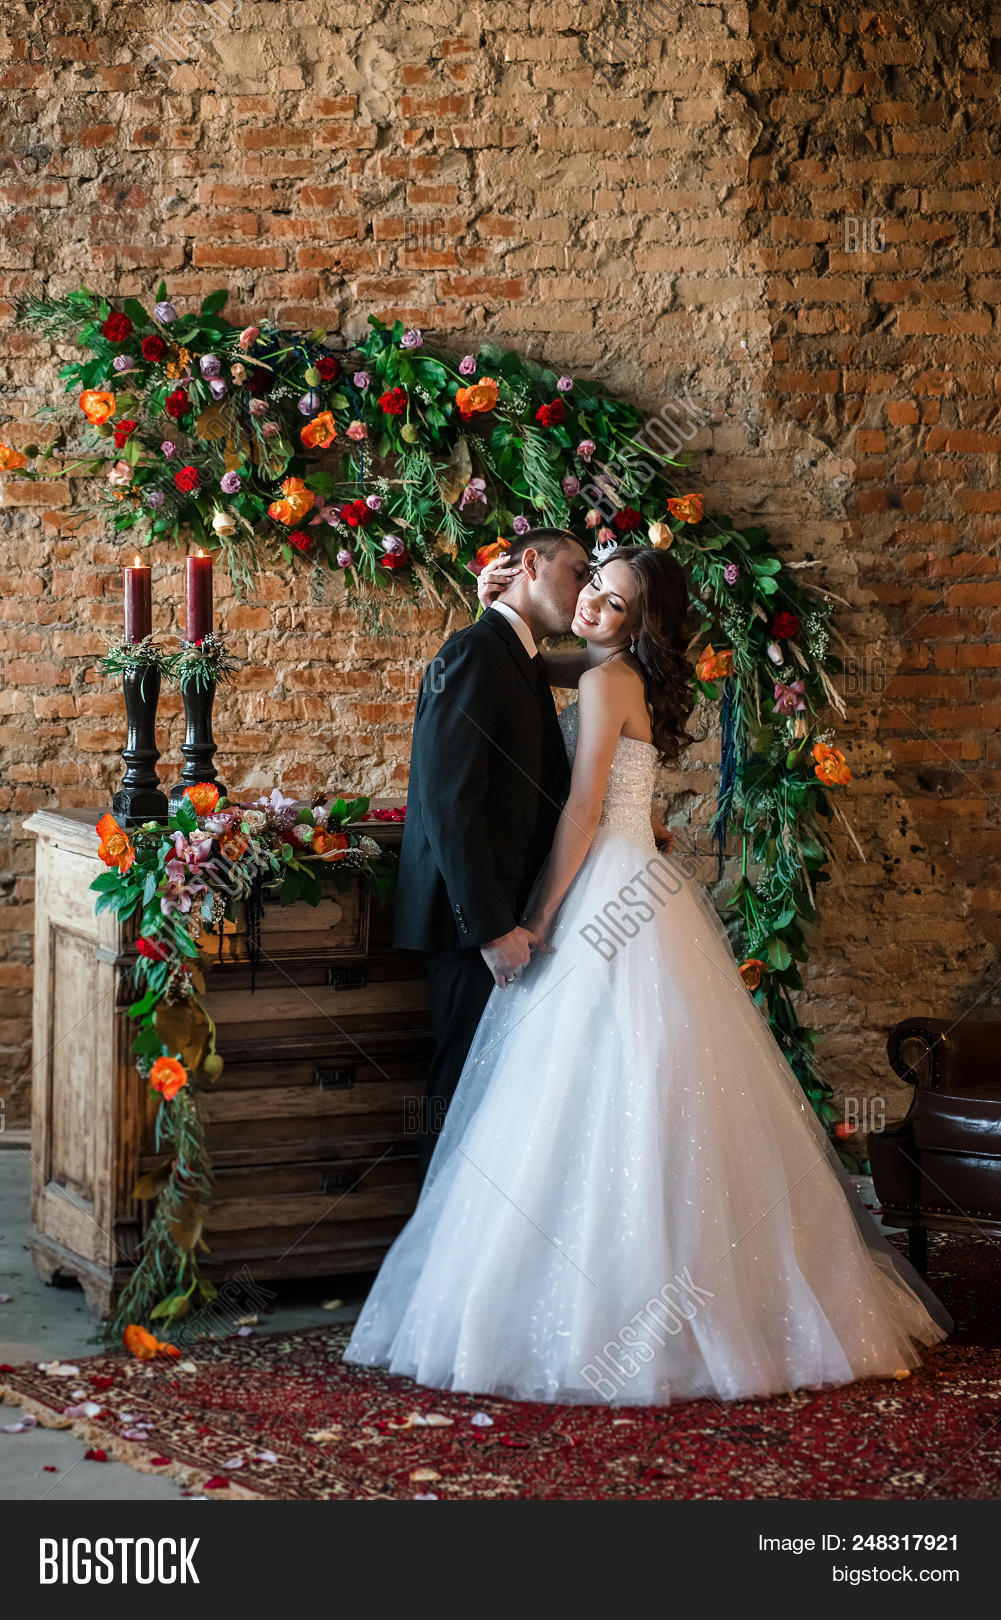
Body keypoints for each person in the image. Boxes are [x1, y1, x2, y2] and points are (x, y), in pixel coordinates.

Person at [346, 544, 952, 1405]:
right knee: (632, 1077)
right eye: (592, 584)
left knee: (591, 1080)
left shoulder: (603, 679)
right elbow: (531, 660)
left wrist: (540, 919)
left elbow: (582, 809)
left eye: (615, 602)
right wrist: (495, 606)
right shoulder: (606, 671)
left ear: (639, 626)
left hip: (603, 883)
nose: (593, 603)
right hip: (636, 881)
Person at [393, 527, 593, 1180]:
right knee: (460, 1096)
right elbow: (448, 801)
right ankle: (433, 1244)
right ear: (530, 563)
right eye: (578, 572)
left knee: (491, 1102)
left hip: (505, 919)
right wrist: (489, 929)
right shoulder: (474, 653)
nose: (585, 589)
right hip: (473, 927)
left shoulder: (518, 655)